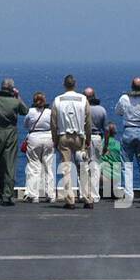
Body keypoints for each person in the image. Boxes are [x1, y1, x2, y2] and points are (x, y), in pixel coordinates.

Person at [51, 75, 93, 209]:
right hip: (79, 137)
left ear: (64, 85)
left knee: (66, 169)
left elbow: (53, 122)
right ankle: (87, 198)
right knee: (83, 168)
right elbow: (88, 121)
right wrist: (88, 138)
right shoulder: (83, 99)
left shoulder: (57, 100)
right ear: (75, 85)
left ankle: (70, 200)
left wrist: (55, 140)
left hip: (63, 136)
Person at [115, 78, 140, 204]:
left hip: (129, 130)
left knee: (127, 165)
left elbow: (118, 111)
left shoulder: (124, 98)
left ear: (131, 86)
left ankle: (128, 195)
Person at [22, 92, 54, 203]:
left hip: (34, 138)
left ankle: (33, 195)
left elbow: (25, 125)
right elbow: (54, 124)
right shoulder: (50, 112)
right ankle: (50, 194)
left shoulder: (30, 112)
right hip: (48, 137)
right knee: (48, 167)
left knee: (33, 167)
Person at [80, 87, 106, 206]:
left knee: (83, 167)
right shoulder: (101, 110)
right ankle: (95, 195)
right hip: (96, 138)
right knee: (95, 167)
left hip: (83, 138)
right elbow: (105, 128)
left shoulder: (81, 109)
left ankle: (83, 194)